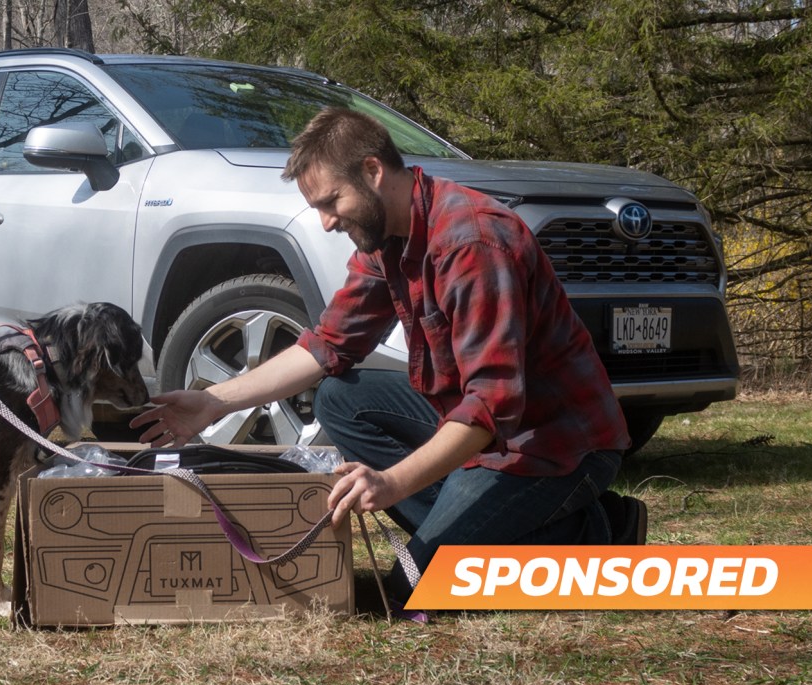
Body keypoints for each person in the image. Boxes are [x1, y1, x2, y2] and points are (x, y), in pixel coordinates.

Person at [131, 107, 647, 609]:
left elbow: (489, 406)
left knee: (416, 586)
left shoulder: (472, 243)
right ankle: (475, 525)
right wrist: (213, 401)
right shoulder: (389, 239)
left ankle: (595, 530)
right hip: (483, 431)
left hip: (554, 446)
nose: (328, 222)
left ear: (373, 171)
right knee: (341, 397)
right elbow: (327, 346)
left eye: (332, 201)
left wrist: (392, 482)